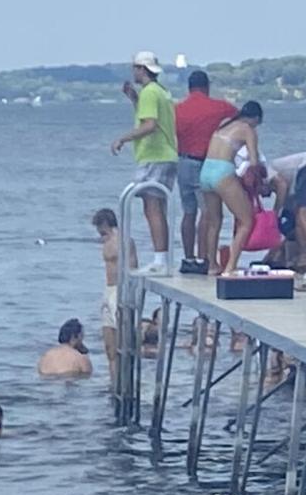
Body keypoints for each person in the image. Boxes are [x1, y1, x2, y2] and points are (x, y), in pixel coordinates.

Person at [110, 51, 178, 275]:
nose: (133, 73)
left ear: (141, 69)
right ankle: (163, 257)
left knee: (151, 208)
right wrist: (133, 99)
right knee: (158, 206)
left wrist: (123, 138)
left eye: (135, 68)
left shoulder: (150, 92)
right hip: (167, 154)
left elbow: (149, 125)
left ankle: (160, 260)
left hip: (154, 155)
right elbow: (149, 115)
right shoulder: (160, 92)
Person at [173, 70, 237, 273]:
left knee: (188, 212)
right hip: (204, 162)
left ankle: (188, 258)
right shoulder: (218, 108)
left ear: (189, 87)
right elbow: (238, 114)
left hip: (182, 161)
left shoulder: (177, 109)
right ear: (206, 86)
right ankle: (203, 259)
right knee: (207, 213)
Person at [199, 102, 263, 275]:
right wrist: (259, 182)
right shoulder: (248, 130)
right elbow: (254, 162)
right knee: (247, 220)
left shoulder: (225, 123)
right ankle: (230, 267)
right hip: (222, 171)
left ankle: (212, 265)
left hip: (205, 170)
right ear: (256, 119)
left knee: (214, 221)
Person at [94, 208, 136, 379]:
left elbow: (132, 266)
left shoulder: (123, 241)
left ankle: (125, 382)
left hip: (120, 290)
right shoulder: (106, 241)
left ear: (105, 223)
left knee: (122, 343)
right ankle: (113, 383)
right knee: (110, 347)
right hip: (109, 290)